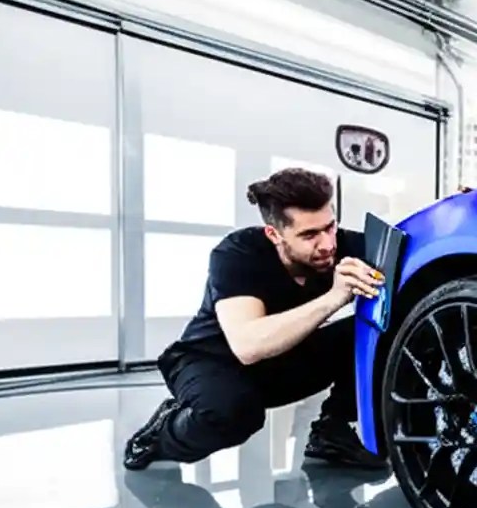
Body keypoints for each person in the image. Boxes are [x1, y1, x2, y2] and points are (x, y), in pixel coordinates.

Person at [123, 167, 387, 471]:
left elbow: (408, 246)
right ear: (274, 234)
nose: (327, 244)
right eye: (309, 235)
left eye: (330, 227)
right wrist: (334, 297)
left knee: (376, 331)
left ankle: (332, 431)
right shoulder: (237, 253)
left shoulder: (341, 245)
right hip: (210, 361)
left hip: (284, 361)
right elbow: (247, 345)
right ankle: (160, 435)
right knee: (232, 414)